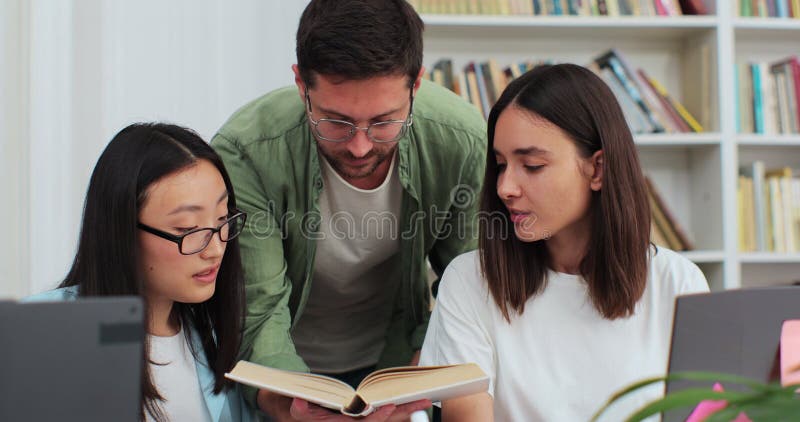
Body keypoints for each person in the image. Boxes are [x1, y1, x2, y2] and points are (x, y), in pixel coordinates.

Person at [211, 0, 486, 420]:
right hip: (280, 374)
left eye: (384, 121)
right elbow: (259, 309)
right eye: (336, 122)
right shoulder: (246, 152)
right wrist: (292, 409)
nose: (360, 146)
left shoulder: (462, 142)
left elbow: (466, 289)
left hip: (395, 360)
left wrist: (412, 392)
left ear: (416, 86)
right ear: (301, 84)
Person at [418, 63, 710, 422]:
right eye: (500, 164)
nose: (505, 187)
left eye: (533, 165)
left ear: (597, 169)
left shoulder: (678, 283)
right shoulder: (469, 281)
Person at [27, 123, 253, 422]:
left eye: (223, 219)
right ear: (122, 231)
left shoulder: (213, 342)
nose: (214, 250)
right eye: (188, 229)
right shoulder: (39, 334)